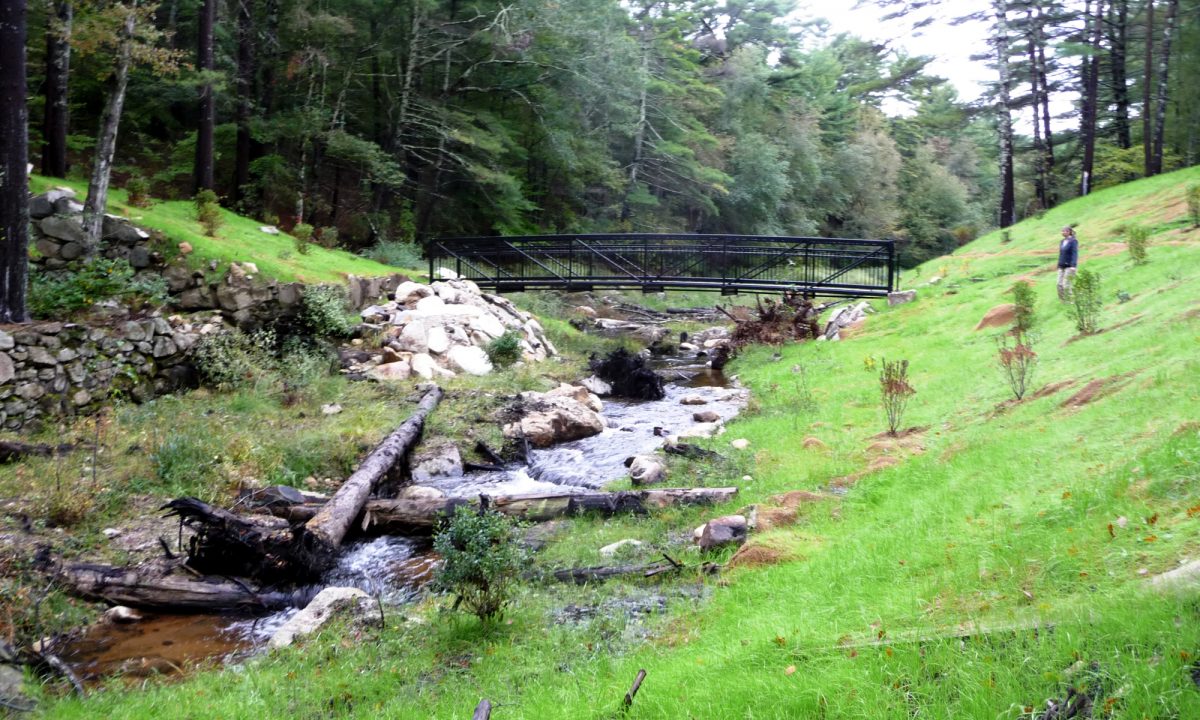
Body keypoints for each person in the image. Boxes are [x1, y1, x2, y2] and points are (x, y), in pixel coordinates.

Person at [1056, 226, 1078, 302]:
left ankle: (1071, 300)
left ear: (1069, 232)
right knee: (1059, 284)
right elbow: (1061, 254)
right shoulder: (1062, 242)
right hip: (1061, 266)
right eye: (1062, 231)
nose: (1062, 232)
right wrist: (1058, 265)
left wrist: (1073, 265)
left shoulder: (1073, 241)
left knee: (1066, 285)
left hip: (1069, 266)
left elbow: (1074, 253)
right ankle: (1063, 301)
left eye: (1064, 231)